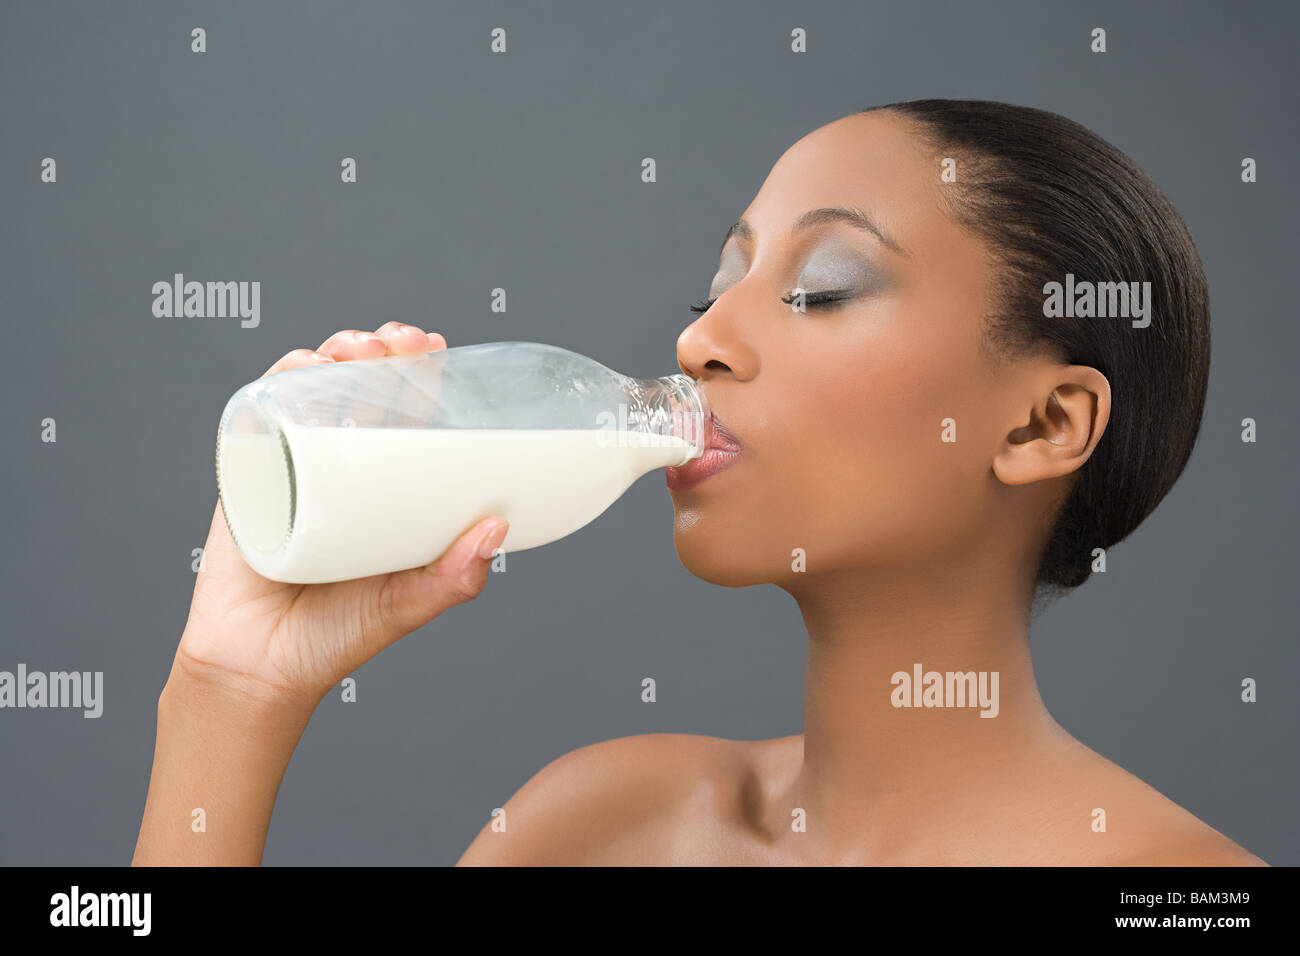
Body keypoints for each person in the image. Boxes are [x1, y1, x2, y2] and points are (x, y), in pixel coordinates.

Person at [133, 100, 1266, 865]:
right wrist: (230, 693)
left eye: (821, 287)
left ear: (1039, 421)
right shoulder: (590, 826)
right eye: (713, 287)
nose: (700, 342)